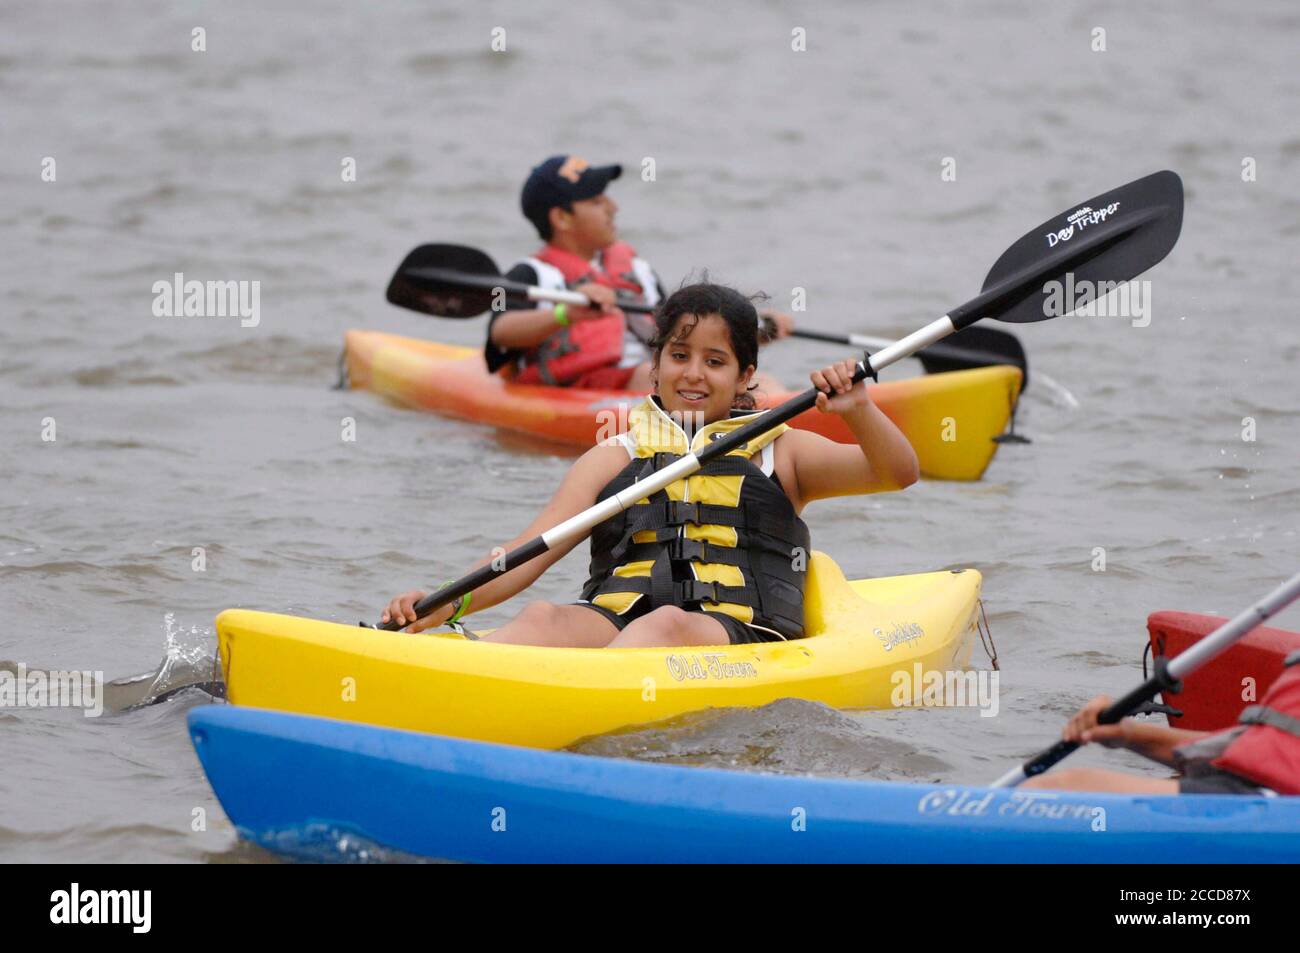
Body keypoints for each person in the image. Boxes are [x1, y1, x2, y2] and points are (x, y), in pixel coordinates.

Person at [387, 281, 919, 648]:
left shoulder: (783, 451)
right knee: (543, 618)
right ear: (656, 364)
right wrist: (443, 604)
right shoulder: (613, 457)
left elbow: (897, 472)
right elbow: (526, 556)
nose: (693, 374)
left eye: (715, 362)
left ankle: (577, 701)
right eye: (680, 356)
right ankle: (463, 669)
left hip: (740, 636)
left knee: (665, 625)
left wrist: (861, 409)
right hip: (620, 622)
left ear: (743, 376)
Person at [486, 155, 793, 392]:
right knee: (647, 376)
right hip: (585, 386)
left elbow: (676, 330)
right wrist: (566, 313)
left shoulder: (636, 270)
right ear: (562, 218)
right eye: (596, 201)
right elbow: (501, 331)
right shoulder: (532, 274)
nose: (613, 208)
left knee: (760, 382)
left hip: (653, 377)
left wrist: (751, 332)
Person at [1021, 649, 1300, 795]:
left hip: (1275, 812)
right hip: (1255, 793)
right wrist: (1130, 734)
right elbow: (1270, 753)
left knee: (1051, 795)